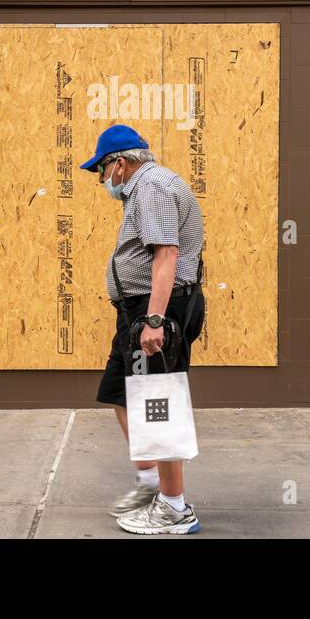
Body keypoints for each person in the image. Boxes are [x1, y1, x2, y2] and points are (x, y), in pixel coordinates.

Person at [80, 123, 205, 535]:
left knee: (158, 404)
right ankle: (152, 482)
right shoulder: (145, 188)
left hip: (155, 311)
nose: (103, 181)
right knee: (120, 392)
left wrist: (154, 320)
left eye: (102, 170)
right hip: (137, 312)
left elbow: (166, 255)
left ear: (120, 163)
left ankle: (174, 508)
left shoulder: (150, 188)